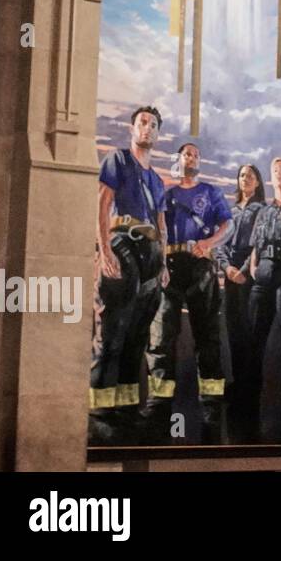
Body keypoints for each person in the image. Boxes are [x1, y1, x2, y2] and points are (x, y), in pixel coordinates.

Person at [143, 142, 233, 442]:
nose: (191, 157)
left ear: (199, 161)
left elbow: (227, 226)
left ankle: (211, 412)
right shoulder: (166, 196)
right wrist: (158, 265)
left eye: (195, 154)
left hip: (200, 267)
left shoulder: (210, 193)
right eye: (186, 154)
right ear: (178, 160)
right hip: (170, 266)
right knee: (160, 340)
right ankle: (158, 408)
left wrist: (209, 244)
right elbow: (156, 230)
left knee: (208, 341)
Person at [90, 106, 168, 445]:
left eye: (153, 125)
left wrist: (163, 263)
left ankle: (124, 409)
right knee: (113, 332)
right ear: (132, 129)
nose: (147, 129)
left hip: (151, 253)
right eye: (142, 123)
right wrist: (104, 249)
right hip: (123, 242)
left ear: (157, 134)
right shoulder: (118, 160)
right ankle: (99, 413)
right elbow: (103, 204)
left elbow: (162, 225)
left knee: (137, 335)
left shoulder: (157, 180)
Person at [246, 157, 281, 439]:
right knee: (254, 343)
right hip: (264, 275)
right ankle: (247, 413)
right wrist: (255, 267)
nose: (279, 174)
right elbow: (255, 244)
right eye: (275, 171)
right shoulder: (265, 212)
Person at [219, 164, 264, 442]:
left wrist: (243, 271)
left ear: (257, 182)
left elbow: (258, 243)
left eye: (250, 175)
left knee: (249, 335)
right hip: (229, 276)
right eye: (241, 175)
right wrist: (226, 268)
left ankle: (249, 390)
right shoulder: (231, 211)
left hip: (248, 278)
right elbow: (221, 242)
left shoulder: (261, 211)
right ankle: (236, 385)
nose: (245, 179)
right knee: (233, 332)